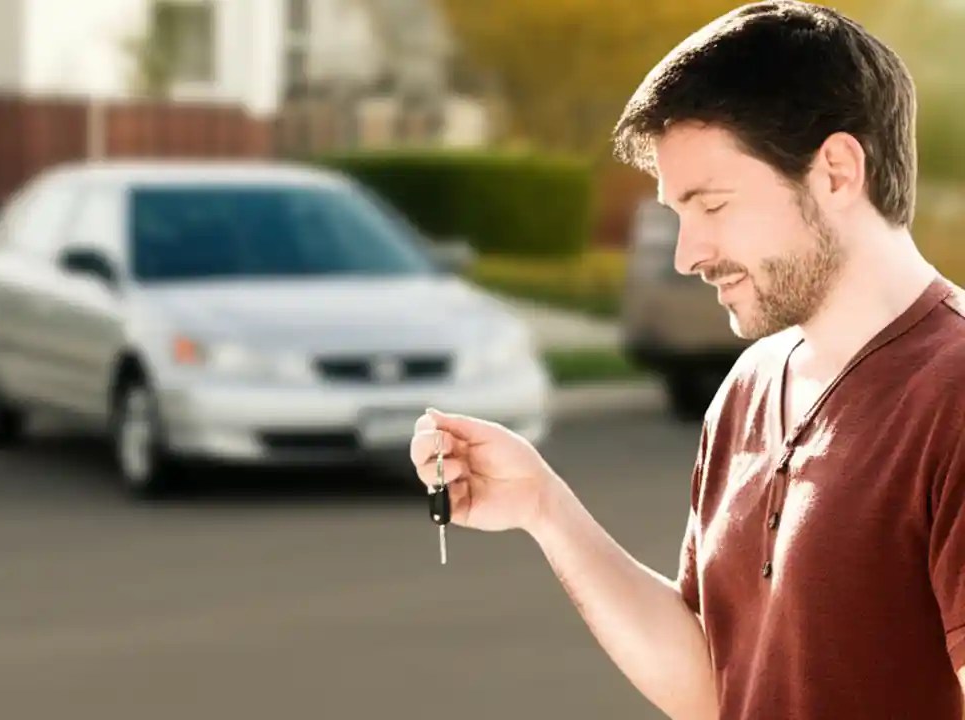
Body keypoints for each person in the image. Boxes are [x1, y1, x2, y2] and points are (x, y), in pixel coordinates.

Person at [409, 1, 965, 718]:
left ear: (835, 171)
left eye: (714, 205)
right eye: (678, 214)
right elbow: (715, 684)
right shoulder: (750, 387)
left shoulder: (952, 395)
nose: (687, 255)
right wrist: (545, 507)